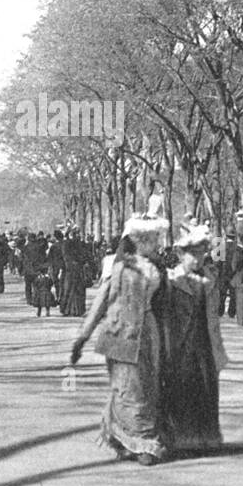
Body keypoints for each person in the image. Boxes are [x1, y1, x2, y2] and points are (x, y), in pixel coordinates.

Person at [71, 196, 170, 466]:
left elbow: (167, 304)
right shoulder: (119, 267)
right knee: (129, 388)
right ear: (141, 240)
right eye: (154, 239)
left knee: (148, 388)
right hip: (120, 334)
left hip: (149, 334)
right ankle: (143, 441)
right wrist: (83, 336)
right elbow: (102, 301)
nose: (158, 243)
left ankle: (126, 437)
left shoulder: (159, 267)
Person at [160, 224, 226, 455]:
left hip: (204, 343)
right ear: (180, 254)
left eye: (201, 253)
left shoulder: (210, 279)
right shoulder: (172, 280)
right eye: (192, 254)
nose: (197, 259)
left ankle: (206, 436)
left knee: (206, 388)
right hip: (180, 344)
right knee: (182, 389)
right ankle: (182, 438)